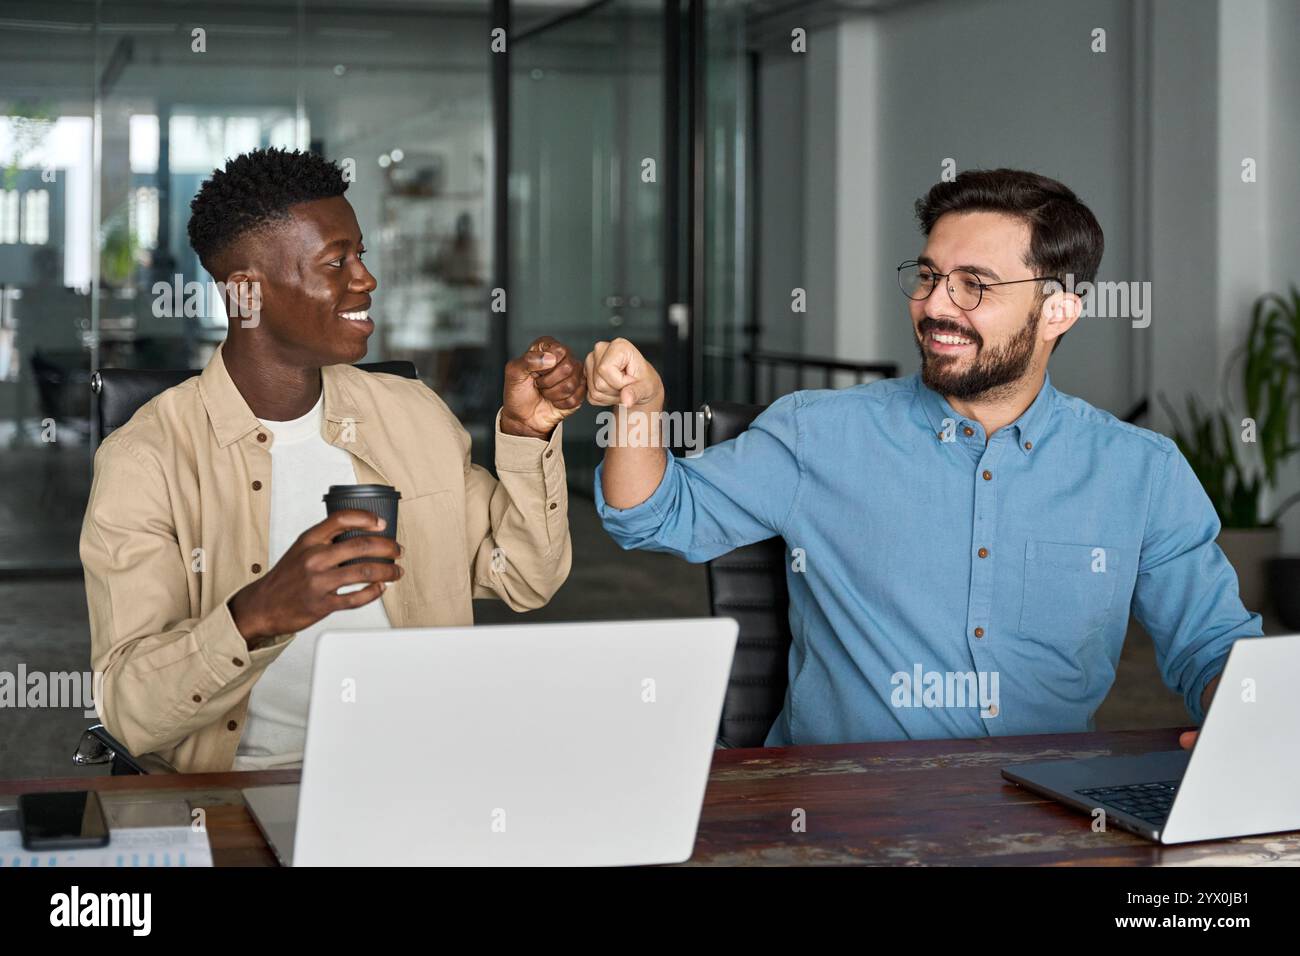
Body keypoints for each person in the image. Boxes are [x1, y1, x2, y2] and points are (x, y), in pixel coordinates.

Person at [587, 168, 1261, 749]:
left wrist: (1251, 723)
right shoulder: (818, 433)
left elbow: (1212, 645)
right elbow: (651, 514)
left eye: (975, 285)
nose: (936, 305)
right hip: (842, 818)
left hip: (1046, 818)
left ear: (1057, 311)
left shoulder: (1138, 472)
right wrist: (640, 411)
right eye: (931, 275)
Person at [82, 147, 586, 773]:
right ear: (246, 291)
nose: (365, 278)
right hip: (245, 789)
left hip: (423, 770)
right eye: (336, 261)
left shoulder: (414, 416)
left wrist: (525, 434)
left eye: (361, 254)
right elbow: (127, 709)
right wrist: (254, 616)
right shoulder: (146, 460)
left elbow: (524, 577)